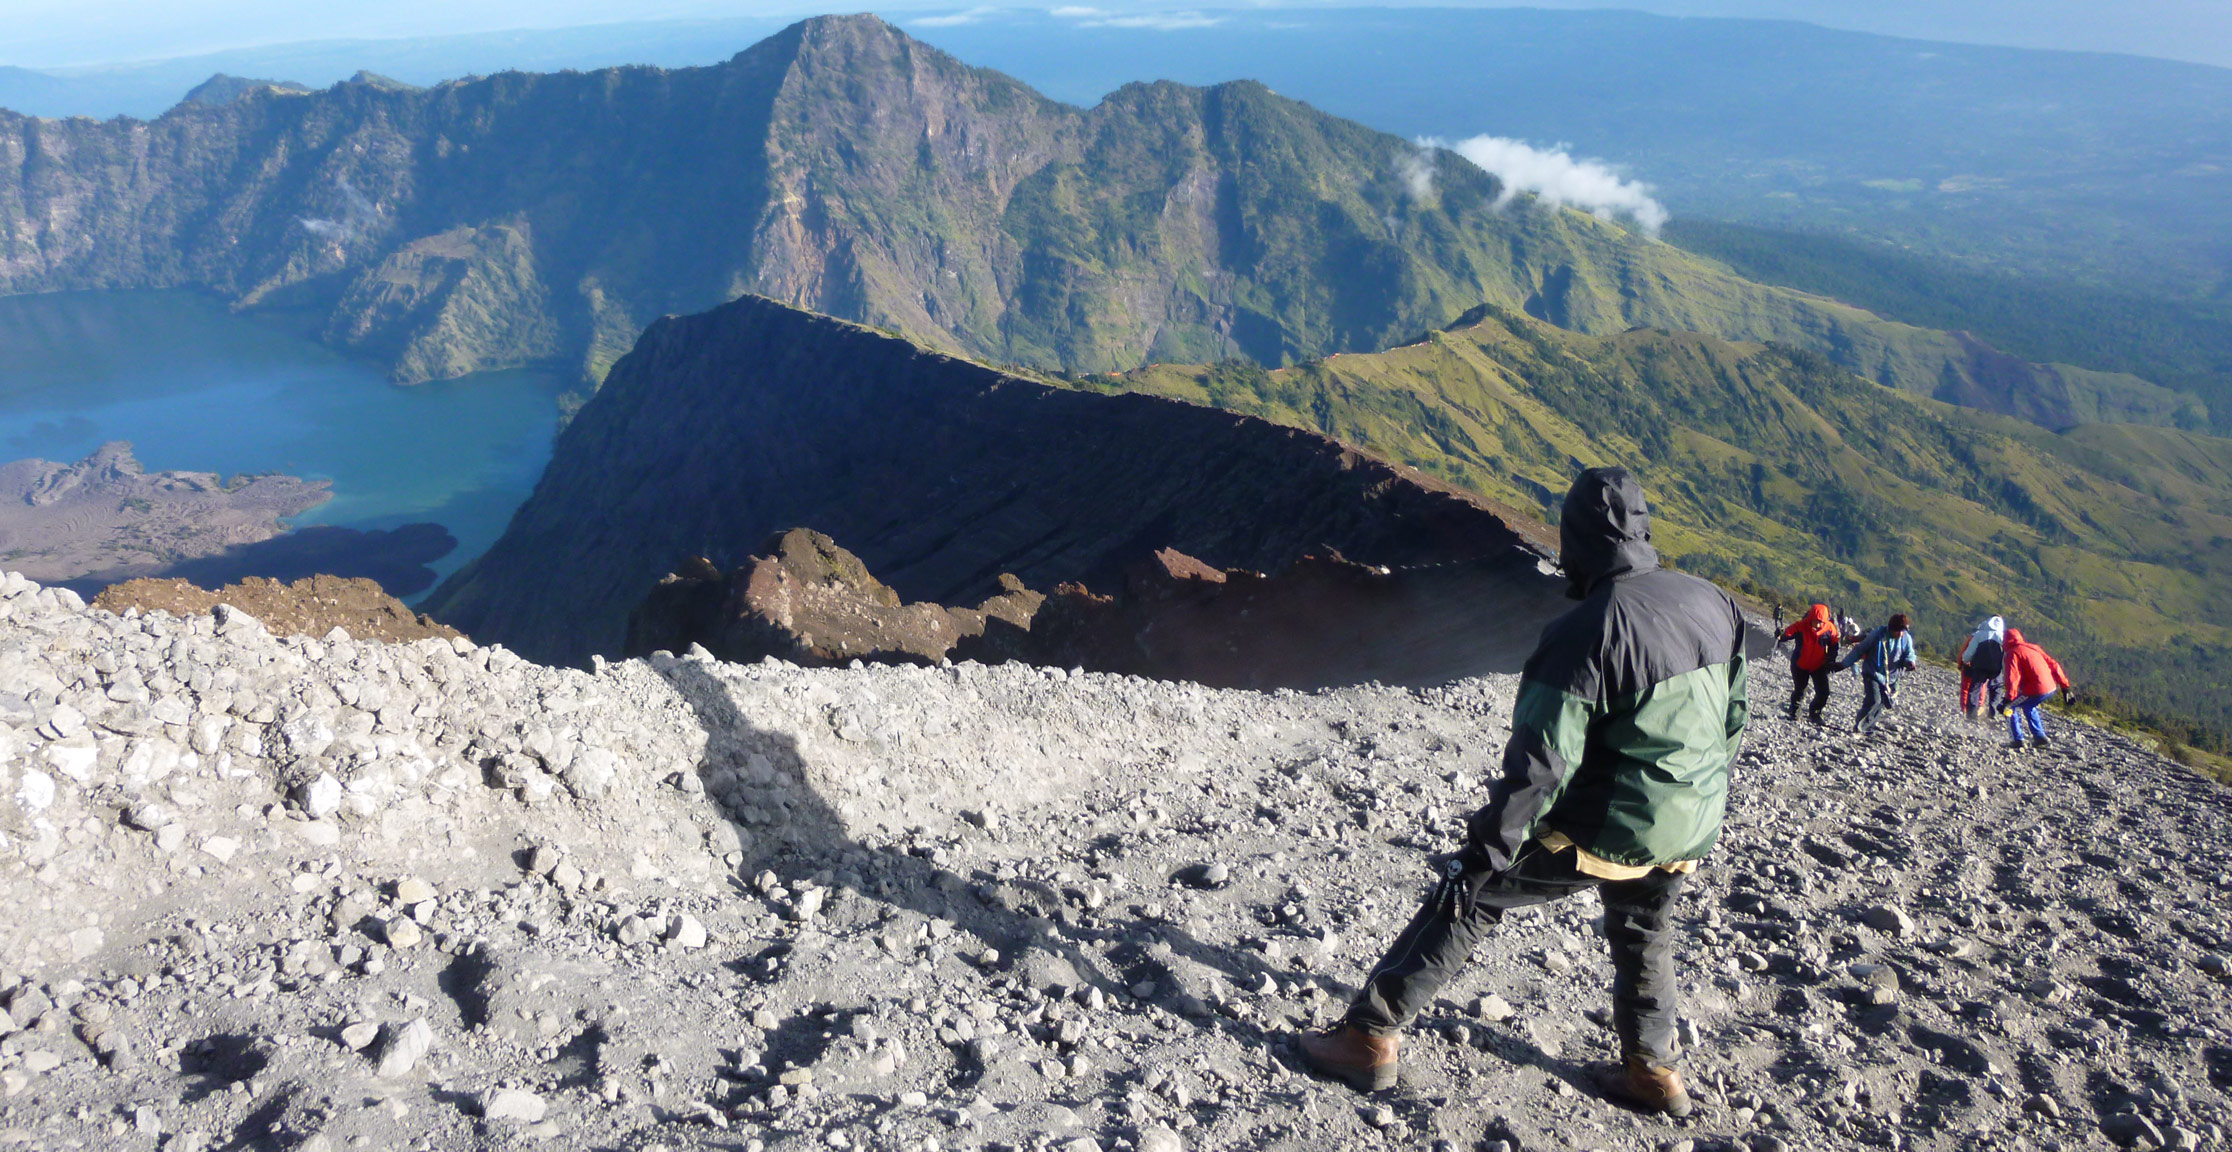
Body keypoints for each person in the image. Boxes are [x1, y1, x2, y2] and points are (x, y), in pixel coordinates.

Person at [1297, 468, 1748, 1118]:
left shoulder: (1588, 630)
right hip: (1693, 822)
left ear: (1575, 541)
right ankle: (1654, 1073)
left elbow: (1539, 765)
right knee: (1645, 929)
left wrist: (1482, 854)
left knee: (1470, 896)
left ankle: (1368, 1036)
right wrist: (1695, 795)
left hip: (1609, 826)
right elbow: (1735, 716)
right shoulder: (1712, 601)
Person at [1839, 613, 1917, 735]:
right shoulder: (1877, 635)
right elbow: (1860, 650)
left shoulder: (1905, 638)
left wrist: (1910, 662)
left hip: (1890, 678)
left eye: (1903, 631)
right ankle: (1860, 727)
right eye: (1899, 631)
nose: (1901, 634)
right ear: (1892, 628)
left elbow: (1909, 653)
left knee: (1882, 704)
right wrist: (1843, 664)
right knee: (1874, 700)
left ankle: (1868, 727)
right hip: (1872, 672)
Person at [2002, 627, 2075, 750]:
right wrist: (2065, 687)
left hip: (2035, 690)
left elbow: (2012, 678)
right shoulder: (2033, 647)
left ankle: (2017, 740)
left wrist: (2008, 699)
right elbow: (2054, 665)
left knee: (2009, 708)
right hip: (2051, 687)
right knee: (2028, 706)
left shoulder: (2012, 653)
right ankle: (2040, 738)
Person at [1778, 603, 1841, 724]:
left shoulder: (1830, 629)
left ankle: (1815, 713)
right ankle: (1795, 712)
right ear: (1810, 618)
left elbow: (1834, 646)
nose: (1817, 624)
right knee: (1800, 690)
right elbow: (1788, 633)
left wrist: (1831, 660)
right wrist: (1782, 634)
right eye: (1814, 621)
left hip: (1819, 665)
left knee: (1823, 692)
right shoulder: (1802, 625)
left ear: (1825, 620)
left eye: (1820, 621)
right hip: (1800, 665)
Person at [1957, 615, 2006, 721]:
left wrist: (1965, 661)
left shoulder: (1979, 635)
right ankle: (1993, 713)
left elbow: (1968, 653)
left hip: (1979, 667)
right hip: (1995, 668)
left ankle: (1971, 716)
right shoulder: (2002, 636)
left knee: (1974, 690)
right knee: (1996, 689)